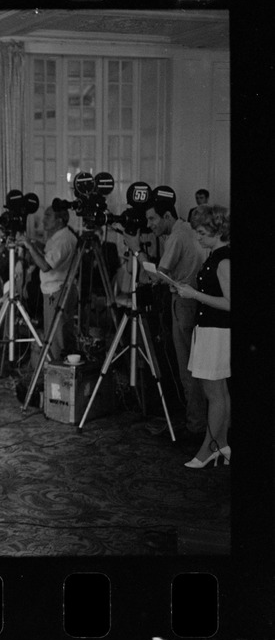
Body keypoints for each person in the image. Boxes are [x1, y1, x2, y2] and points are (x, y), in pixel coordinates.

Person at [124, 197, 206, 437]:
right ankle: (197, 423)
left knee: (187, 370)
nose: (150, 225)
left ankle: (195, 427)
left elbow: (157, 277)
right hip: (193, 302)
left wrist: (137, 250)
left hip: (183, 304)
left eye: (153, 219)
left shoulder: (178, 236)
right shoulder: (187, 230)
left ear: (168, 216)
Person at [175, 205, 231, 468]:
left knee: (214, 393)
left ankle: (208, 448)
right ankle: (221, 444)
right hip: (211, 330)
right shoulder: (216, 255)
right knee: (219, 392)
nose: (197, 237)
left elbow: (230, 303)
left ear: (217, 231)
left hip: (217, 332)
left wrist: (193, 294)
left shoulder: (223, 260)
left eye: (201, 232)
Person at [18, 206, 78, 362]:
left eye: (48, 216)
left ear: (60, 220)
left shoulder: (64, 240)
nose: (44, 220)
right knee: (55, 332)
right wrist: (33, 243)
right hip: (53, 290)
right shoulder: (58, 237)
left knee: (55, 335)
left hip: (57, 291)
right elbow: (47, 252)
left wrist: (29, 246)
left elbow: (45, 266)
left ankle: (56, 372)